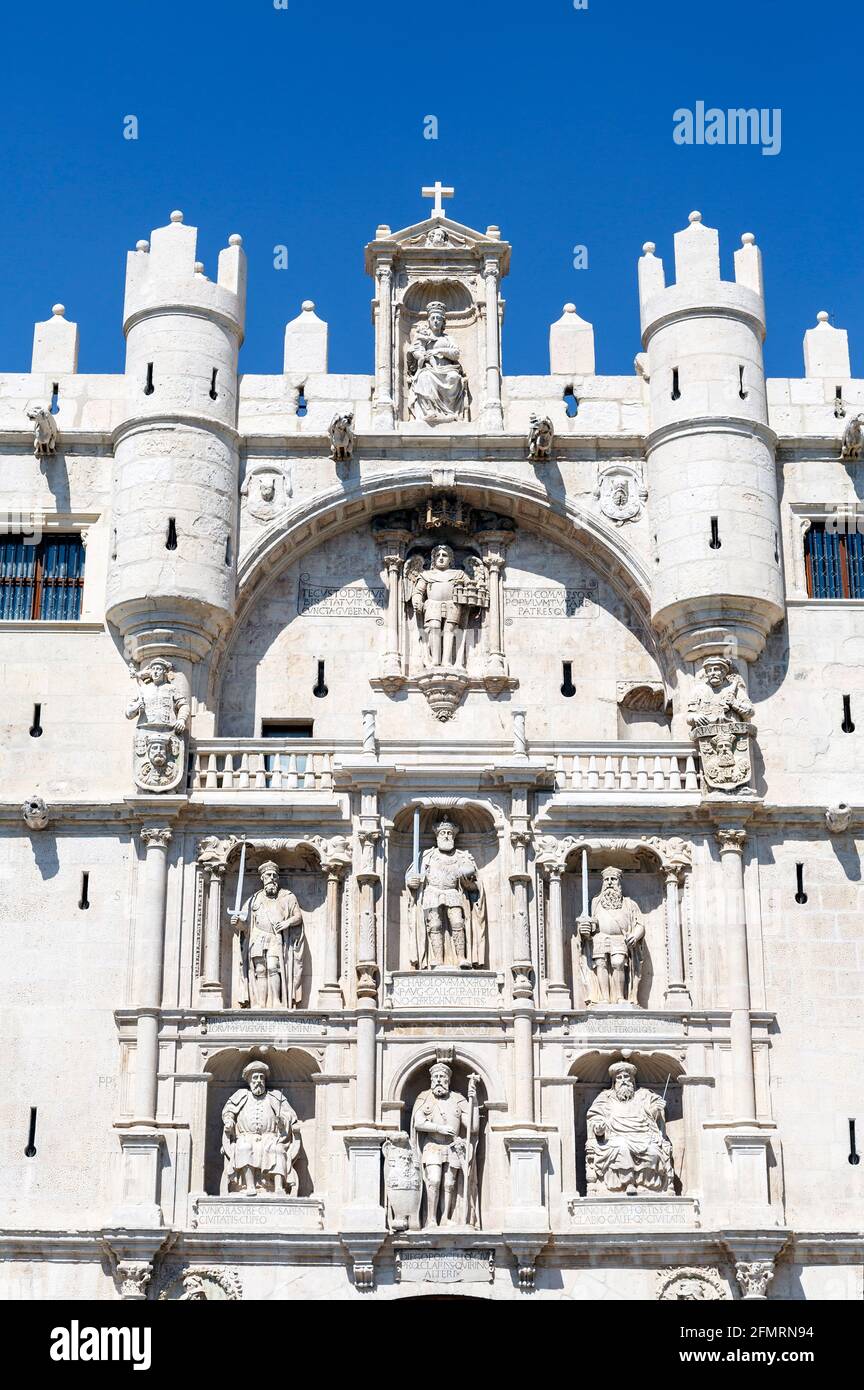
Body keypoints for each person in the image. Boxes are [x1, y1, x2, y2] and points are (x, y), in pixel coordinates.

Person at [221, 1060, 300, 1196]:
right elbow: (228, 1112)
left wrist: (282, 1121)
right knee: (243, 1147)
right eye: (255, 1077)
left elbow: (289, 1116)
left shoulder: (275, 1096)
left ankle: (278, 1187)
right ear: (249, 1080)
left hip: (271, 1138)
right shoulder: (240, 1096)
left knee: (277, 1149)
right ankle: (250, 1186)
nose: (258, 1081)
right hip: (246, 1137)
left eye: (261, 1077)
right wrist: (228, 1122)